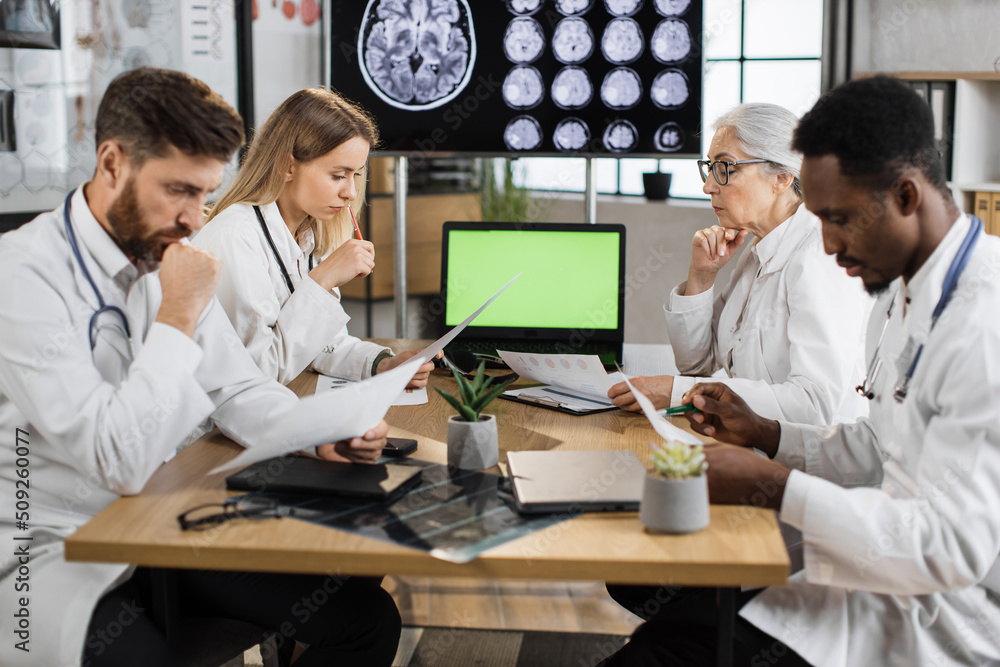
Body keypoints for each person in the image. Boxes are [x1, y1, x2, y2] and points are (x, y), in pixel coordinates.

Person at [0, 68, 404, 667]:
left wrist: (320, 431)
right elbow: (117, 459)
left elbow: (238, 385)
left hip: (165, 521)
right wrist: (181, 311)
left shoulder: (165, 250)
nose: (196, 218)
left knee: (363, 616)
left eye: (205, 193)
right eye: (179, 191)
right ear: (112, 163)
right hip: (58, 546)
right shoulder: (22, 275)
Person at [601, 76, 1000, 666]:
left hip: (938, 615)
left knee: (662, 652)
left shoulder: (981, 324)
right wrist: (766, 434)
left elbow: (947, 547)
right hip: (869, 563)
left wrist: (777, 486)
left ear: (907, 197)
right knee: (659, 597)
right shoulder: (902, 290)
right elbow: (875, 443)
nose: (828, 243)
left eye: (837, 218)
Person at [608, 103, 871, 426]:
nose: (708, 186)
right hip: (756, 447)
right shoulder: (757, 249)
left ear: (783, 177)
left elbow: (813, 404)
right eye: (710, 168)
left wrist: (678, 393)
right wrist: (702, 276)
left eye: (726, 168)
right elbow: (697, 365)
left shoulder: (822, 256)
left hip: (807, 464)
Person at [195, 87, 436, 387]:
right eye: (338, 175)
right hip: (212, 430)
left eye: (356, 175)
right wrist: (322, 281)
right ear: (288, 166)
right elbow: (255, 373)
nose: (350, 192)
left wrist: (382, 364)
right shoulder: (235, 237)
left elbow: (320, 344)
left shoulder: (307, 234)